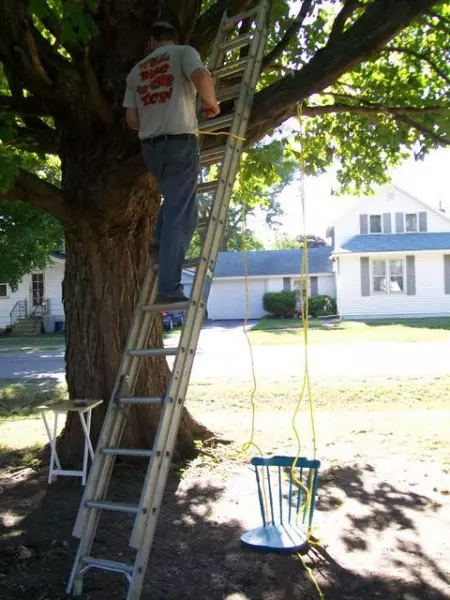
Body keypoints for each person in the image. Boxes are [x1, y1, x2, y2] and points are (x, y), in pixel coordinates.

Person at [123, 21, 220, 304]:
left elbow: (131, 120)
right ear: (172, 38)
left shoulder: (136, 71)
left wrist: (154, 119)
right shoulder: (183, 52)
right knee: (182, 215)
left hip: (151, 149)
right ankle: (168, 289)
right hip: (180, 143)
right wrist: (211, 103)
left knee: (180, 209)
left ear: (152, 41)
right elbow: (201, 77)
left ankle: (157, 238)